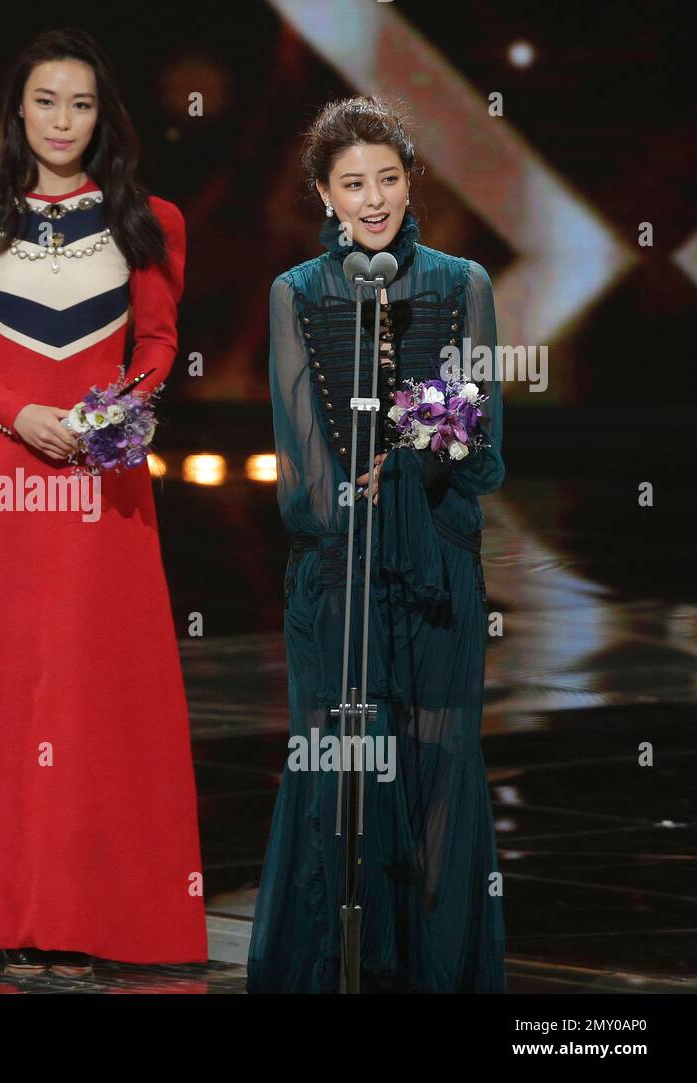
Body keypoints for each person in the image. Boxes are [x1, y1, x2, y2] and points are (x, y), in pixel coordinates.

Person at [0, 28, 206, 976]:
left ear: (99, 115)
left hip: (104, 480)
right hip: (4, 469)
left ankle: (91, 915)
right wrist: (21, 414)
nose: (62, 120)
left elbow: (156, 342)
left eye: (79, 104)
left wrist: (120, 406)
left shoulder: (151, 219)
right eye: (45, 102)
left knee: (99, 689)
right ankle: (1, 911)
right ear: (17, 113)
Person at [247, 96, 507, 992]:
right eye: (352, 183)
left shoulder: (462, 282)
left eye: (387, 179)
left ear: (409, 182)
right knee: (342, 773)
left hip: (438, 569)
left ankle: (437, 973)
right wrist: (356, 508)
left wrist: (411, 465)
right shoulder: (298, 294)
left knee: (439, 774)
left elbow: (483, 449)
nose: (373, 199)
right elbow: (302, 474)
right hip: (339, 577)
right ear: (324, 194)